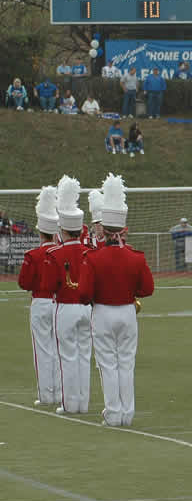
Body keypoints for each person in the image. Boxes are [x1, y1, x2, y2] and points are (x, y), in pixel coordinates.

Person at [79, 174, 154, 427]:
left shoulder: (93, 258)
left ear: (104, 230)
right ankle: (127, 414)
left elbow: (84, 294)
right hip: (128, 313)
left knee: (108, 365)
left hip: (102, 312)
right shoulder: (136, 257)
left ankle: (113, 413)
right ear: (123, 230)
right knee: (126, 363)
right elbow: (147, 289)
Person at [49, 176, 93, 414]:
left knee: (67, 356)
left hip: (65, 306)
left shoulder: (55, 254)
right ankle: (83, 403)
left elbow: (49, 285)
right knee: (85, 355)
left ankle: (69, 403)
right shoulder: (89, 251)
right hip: (87, 308)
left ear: (63, 229)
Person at [17, 186, 61, 405]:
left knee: (42, 350)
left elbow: (23, 283)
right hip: (60, 303)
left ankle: (46, 395)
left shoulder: (33, 255)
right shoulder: (61, 253)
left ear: (40, 232)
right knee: (59, 350)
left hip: (40, 303)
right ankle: (61, 393)